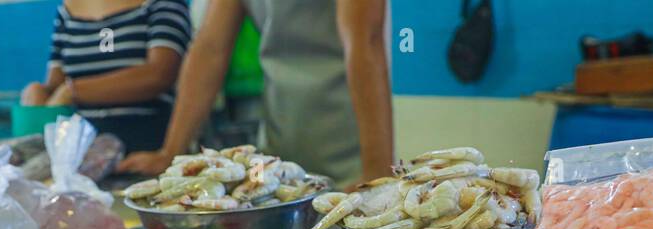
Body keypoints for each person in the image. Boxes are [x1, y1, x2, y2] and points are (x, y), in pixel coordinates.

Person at [119, 0, 393, 185]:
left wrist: (377, 174)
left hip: (351, 148)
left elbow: (365, 42)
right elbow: (210, 49)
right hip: (279, 144)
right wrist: (170, 153)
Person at [21, 0, 192, 153]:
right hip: (80, 153)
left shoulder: (163, 4)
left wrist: (73, 91)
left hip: (143, 152)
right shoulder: (67, 9)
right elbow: (55, 85)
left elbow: (159, 75)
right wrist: (38, 94)